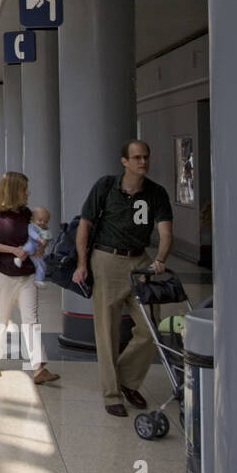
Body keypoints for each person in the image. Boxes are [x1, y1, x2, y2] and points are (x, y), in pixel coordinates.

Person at [71, 140, 174, 417]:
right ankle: (112, 393)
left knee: (150, 326)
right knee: (107, 329)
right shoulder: (106, 187)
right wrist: (82, 263)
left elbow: (165, 232)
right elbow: (85, 225)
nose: (143, 162)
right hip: (106, 260)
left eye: (146, 157)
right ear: (124, 161)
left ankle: (127, 380)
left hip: (140, 261)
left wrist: (160, 259)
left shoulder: (156, 193)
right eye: (137, 157)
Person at [0, 173, 59, 385]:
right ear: (14, 190)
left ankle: (38, 367)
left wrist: (40, 247)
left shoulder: (27, 214)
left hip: (27, 273)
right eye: (24, 189)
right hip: (3, 273)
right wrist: (13, 250)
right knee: (0, 316)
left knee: (31, 319)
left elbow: (34, 236)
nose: (28, 193)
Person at [24, 206, 53, 283]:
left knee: (42, 265)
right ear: (33, 219)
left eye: (46, 221)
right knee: (30, 247)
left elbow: (48, 238)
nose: (43, 223)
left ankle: (39, 280)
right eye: (40, 220)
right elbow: (32, 234)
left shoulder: (45, 229)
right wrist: (39, 239)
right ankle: (19, 259)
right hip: (29, 249)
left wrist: (46, 243)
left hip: (39, 253)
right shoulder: (31, 226)